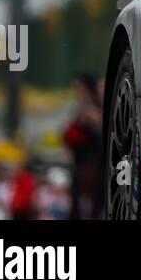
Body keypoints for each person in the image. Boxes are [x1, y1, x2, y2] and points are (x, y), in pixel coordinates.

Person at [62, 72, 103, 220]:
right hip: (83, 167)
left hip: (90, 167)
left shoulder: (92, 109)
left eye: (79, 88)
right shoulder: (85, 108)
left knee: (88, 207)